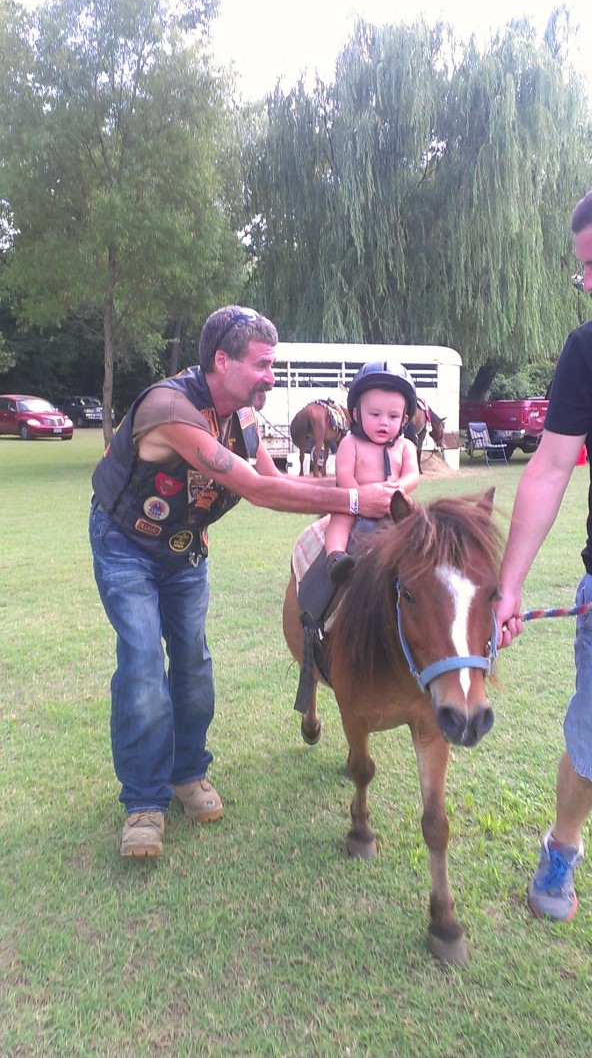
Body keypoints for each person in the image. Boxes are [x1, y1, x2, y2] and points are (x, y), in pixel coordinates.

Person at [89, 305, 398, 859]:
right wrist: (353, 500)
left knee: (193, 663)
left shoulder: (244, 417)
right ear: (221, 360)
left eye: (272, 365)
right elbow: (258, 491)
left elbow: (276, 478)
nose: (270, 377)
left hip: (184, 549)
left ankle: (188, 775)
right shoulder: (171, 410)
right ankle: (144, 801)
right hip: (126, 546)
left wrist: (356, 479)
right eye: (261, 365)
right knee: (141, 661)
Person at [495, 170, 592, 921]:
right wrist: (509, 585)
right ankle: (562, 846)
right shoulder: (590, 350)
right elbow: (548, 467)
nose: (585, 280)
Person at [324, 361, 420, 583]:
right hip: (357, 503)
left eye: (393, 417)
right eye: (375, 414)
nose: (383, 422)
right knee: (340, 519)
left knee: (418, 521)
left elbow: (412, 475)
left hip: (394, 504)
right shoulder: (351, 443)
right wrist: (359, 498)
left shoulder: (406, 446)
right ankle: (335, 557)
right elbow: (344, 474)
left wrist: (397, 490)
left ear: (405, 420)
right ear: (357, 414)